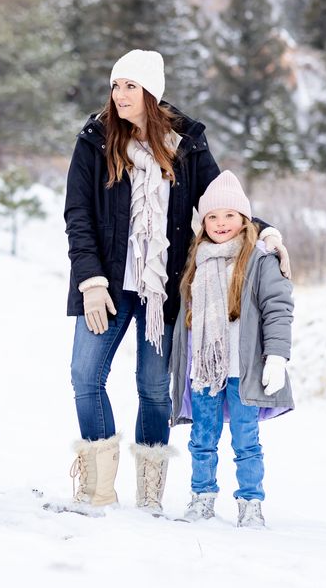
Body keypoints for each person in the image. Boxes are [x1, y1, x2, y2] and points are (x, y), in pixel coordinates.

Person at [63, 49, 291, 514]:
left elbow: (219, 201)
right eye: (115, 85)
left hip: (162, 290)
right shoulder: (94, 140)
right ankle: (98, 488)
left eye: (130, 86)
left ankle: (149, 494)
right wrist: (90, 279)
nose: (119, 95)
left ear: (151, 92)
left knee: (152, 386)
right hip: (105, 284)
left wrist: (264, 229)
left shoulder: (185, 143)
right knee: (85, 375)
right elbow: (78, 215)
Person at [168, 171, 294, 528]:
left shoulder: (260, 258)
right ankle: (202, 497)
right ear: (203, 221)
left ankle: (250, 503)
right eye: (212, 216)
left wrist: (277, 356)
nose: (221, 223)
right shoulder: (196, 260)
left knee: (246, 439)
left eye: (229, 215)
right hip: (204, 371)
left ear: (244, 219)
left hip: (243, 368)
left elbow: (278, 308)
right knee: (202, 438)